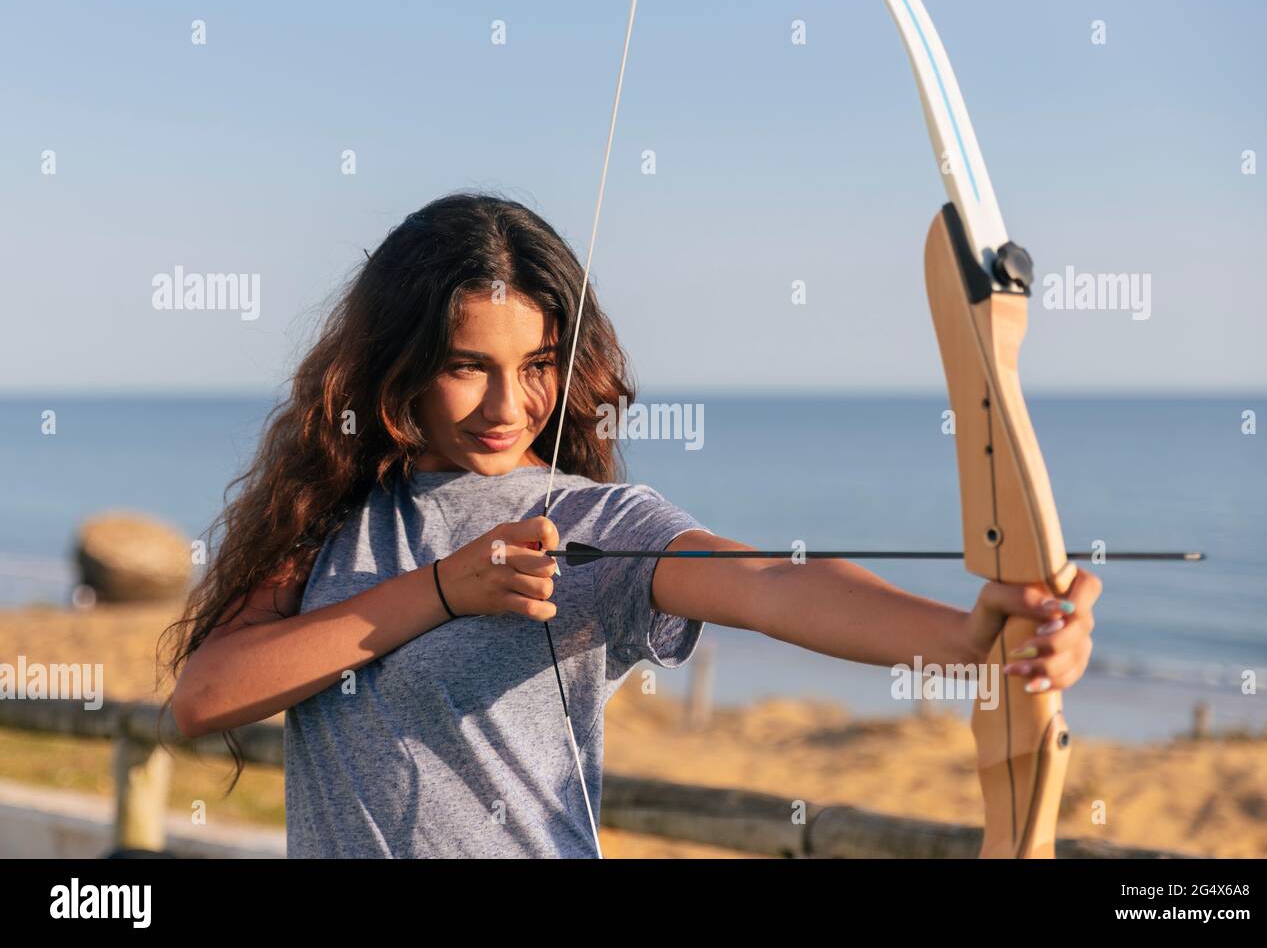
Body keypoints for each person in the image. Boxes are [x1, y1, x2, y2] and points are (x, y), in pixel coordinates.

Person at [162, 192, 1100, 858]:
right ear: (397, 364)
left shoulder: (587, 525)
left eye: (537, 362)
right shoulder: (331, 513)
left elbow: (770, 583)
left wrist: (969, 636)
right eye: (467, 365)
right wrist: (445, 591)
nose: (509, 402)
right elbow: (204, 696)